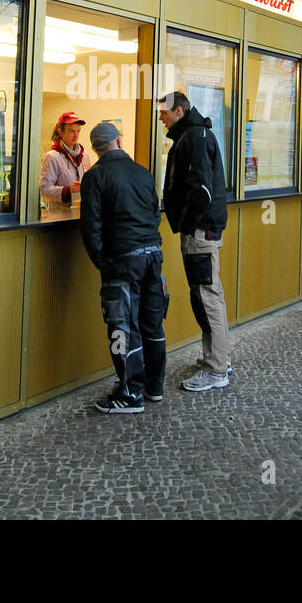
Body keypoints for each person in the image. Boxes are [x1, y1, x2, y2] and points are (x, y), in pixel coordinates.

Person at [78, 121, 167, 413]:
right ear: (118, 141)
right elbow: (155, 214)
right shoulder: (142, 173)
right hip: (153, 255)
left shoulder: (95, 176)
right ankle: (154, 387)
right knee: (151, 322)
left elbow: (91, 227)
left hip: (122, 260)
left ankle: (129, 394)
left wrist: (102, 260)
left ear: (95, 148)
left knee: (122, 327)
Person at [157, 90, 231, 391]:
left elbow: (201, 189)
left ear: (177, 110)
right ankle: (217, 359)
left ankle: (216, 369)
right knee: (209, 294)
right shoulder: (192, 135)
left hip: (200, 231)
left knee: (206, 296)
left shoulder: (194, 137)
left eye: (163, 112)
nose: (160, 118)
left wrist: (187, 226)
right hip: (202, 229)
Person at [40, 111, 90, 217]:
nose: (76, 135)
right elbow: (44, 189)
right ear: (60, 132)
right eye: (71, 131)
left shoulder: (84, 155)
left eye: (78, 131)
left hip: (82, 213)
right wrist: (68, 191)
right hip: (60, 216)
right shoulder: (52, 156)